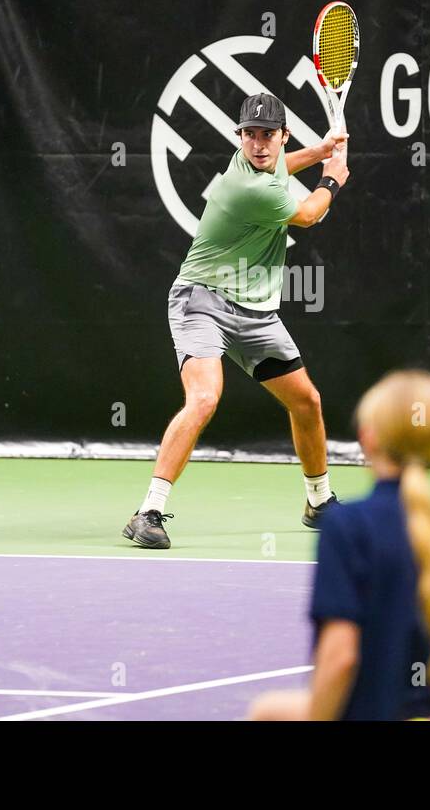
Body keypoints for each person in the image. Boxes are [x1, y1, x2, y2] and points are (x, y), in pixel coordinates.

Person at [123, 92, 349, 549]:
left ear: (282, 136)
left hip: (255, 312)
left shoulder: (265, 166)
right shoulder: (249, 187)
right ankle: (147, 511)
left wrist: (323, 150)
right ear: (239, 137)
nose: (258, 143)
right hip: (201, 301)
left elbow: (284, 165)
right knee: (205, 398)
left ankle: (318, 502)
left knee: (306, 401)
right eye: (249, 135)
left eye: (268, 134)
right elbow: (308, 214)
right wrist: (333, 177)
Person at [248, 370, 430, 720]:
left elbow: (341, 658)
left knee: (263, 712)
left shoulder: (346, 527)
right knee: (270, 711)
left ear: (367, 439)